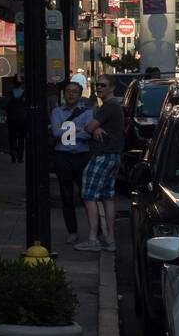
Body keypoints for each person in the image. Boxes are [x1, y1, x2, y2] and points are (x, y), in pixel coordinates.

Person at [77, 75, 124, 251]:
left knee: (89, 196)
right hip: (113, 155)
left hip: (102, 155)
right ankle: (110, 239)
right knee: (107, 197)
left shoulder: (109, 106)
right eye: (97, 85)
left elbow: (88, 127)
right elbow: (94, 126)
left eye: (103, 85)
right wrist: (96, 127)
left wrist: (93, 127)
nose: (99, 88)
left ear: (112, 87)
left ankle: (92, 239)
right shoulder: (113, 106)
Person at [49, 81, 93, 245]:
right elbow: (55, 132)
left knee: (87, 195)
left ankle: (95, 231)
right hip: (63, 156)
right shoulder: (57, 111)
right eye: (68, 91)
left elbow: (88, 134)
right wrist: (78, 130)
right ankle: (72, 231)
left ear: (80, 94)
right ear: (64, 93)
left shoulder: (87, 113)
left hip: (82, 156)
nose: (71, 94)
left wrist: (66, 129)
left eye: (75, 91)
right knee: (66, 195)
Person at [5, 76, 28, 163]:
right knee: (21, 138)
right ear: (21, 84)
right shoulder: (24, 94)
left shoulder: (10, 94)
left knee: (12, 137)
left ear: (13, 84)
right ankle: (20, 157)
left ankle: (13, 155)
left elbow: (7, 107)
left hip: (12, 119)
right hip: (22, 119)